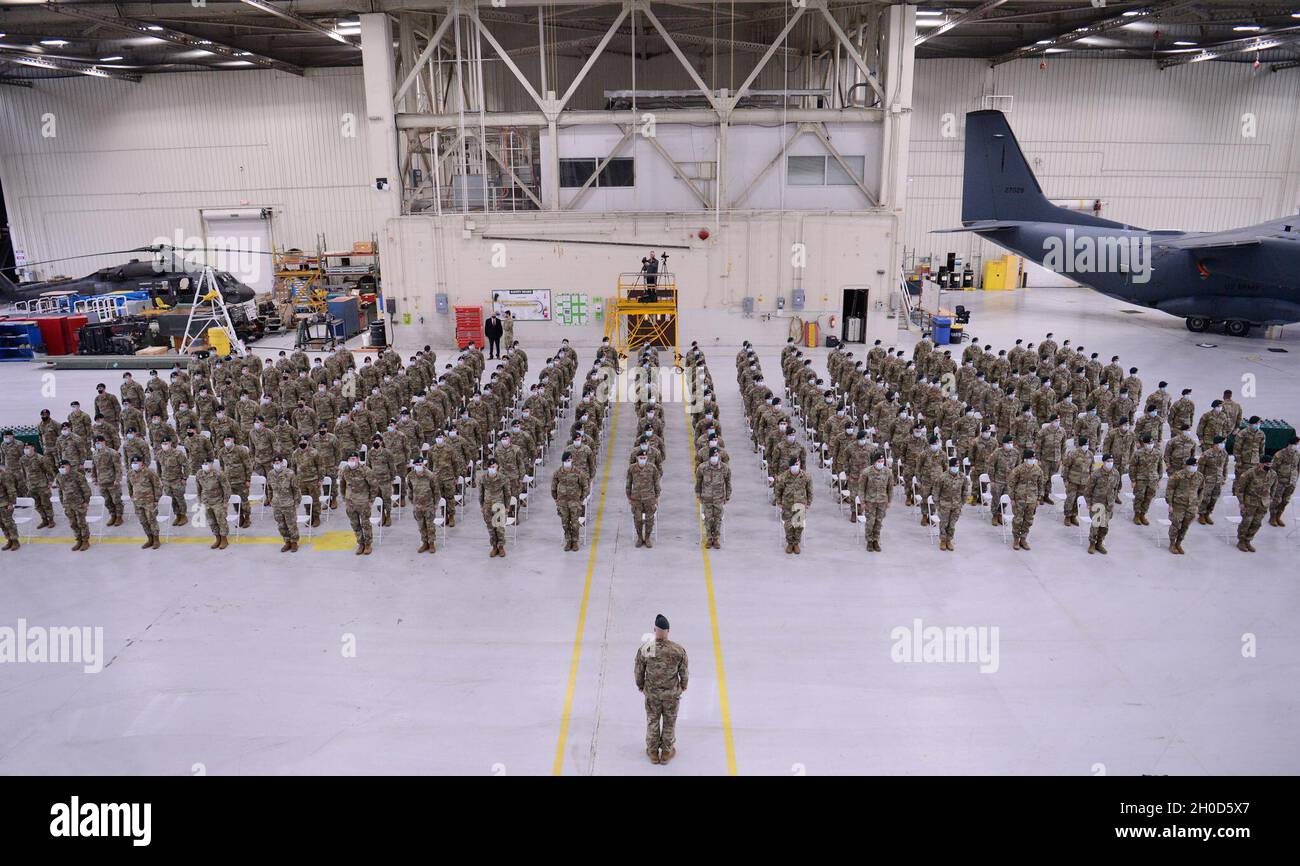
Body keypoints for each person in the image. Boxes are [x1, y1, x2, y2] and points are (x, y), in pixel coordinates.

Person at [634, 613, 688, 765]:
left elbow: (639, 670)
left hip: (652, 694)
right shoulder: (678, 650)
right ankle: (666, 753)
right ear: (668, 631)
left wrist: (640, 685)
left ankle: (652, 752)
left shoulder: (646, 648)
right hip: (671, 695)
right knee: (670, 722)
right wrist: (683, 685)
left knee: (653, 721)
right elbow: (683, 672)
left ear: (654, 630)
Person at [551, 451, 589, 552]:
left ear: (572, 460)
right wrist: (556, 499)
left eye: (569, 460)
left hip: (575, 502)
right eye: (566, 461)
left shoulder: (578, 473)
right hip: (562, 502)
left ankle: (575, 541)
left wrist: (581, 499)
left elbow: (585, 486)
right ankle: (568, 541)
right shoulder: (558, 472)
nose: (568, 462)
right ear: (563, 461)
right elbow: (553, 486)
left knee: (575, 523)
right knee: (565, 523)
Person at [1007, 449, 1044, 550]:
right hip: (1020, 498)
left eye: (1034, 458)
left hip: (1032, 499)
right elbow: (1011, 484)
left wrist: (1038, 499)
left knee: (1028, 520)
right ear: (1025, 459)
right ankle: (1016, 539)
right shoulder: (1018, 470)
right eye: (1031, 458)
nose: (1033, 460)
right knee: (1018, 520)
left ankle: (1023, 538)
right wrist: (1012, 498)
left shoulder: (1038, 470)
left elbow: (1040, 484)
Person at [695, 447, 731, 549]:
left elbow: (728, 482)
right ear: (710, 456)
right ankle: (709, 538)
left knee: (718, 519)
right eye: (714, 456)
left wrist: (728, 495)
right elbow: (698, 482)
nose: (716, 457)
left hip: (719, 498)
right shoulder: (703, 467)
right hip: (706, 498)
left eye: (717, 455)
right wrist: (698, 493)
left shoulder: (724, 468)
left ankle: (716, 538)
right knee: (708, 518)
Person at [774, 458, 812, 554]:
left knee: (799, 525)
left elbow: (809, 490)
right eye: (795, 464)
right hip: (787, 504)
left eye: (798, 464)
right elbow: (778, 489)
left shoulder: (806, 476)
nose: (796, 466)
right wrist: (778, 501)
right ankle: (790, 543)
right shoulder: (783, 477)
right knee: (788, 525)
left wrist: (809, 502)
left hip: (800, 503)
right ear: (790, 466)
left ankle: (796, 543)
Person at [1165, 457, 1202, 555]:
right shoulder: (1178, 476)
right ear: (1187, 466)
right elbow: (1170, 489)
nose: (1195, 467)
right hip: (1178, 505)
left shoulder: (1199, 476)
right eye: (1193, 465)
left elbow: (1201, 490)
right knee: (1176, 525)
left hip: (1191, 506)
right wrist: (1170, 504)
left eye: (1196, 465)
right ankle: (1172, 543)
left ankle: (1179, 543)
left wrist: (1198, 503)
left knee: (1185, 526)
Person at [1236, 456, 1273, 553]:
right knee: (1246, 522)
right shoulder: (1250, 473)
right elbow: (1240, 489)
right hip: (1250, 502)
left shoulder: (1272, 474)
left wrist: (1270, 500)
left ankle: (1248, 540)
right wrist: (1241, 503)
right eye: (1267, 464)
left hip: (1263, 503)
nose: (1269, 466)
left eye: (1270, 464)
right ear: (1261, 463)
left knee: (1257, 523)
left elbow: (1273, 488)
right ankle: (1241, 541)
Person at [55, 459, 92, 552]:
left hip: (79, 503)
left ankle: (85, 541)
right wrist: (62, 502)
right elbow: (60, 491)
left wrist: (86, 502)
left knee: (81, 523)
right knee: (73, 523)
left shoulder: (78, 476)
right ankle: (78, 540)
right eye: (60, 467)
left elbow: (86, 490)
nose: (61, 469)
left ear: (69, 466)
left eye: (63, 467)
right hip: (67, 504)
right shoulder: (59, 476)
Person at [859, 451, 892, 552]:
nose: (881, 463)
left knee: (878, 522)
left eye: (882, 461)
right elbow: (861, 488)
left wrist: (889, 501)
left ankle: (875, 540)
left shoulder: (887, 472)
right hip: (870, 501)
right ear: (874, 462)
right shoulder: (866, 472)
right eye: (879, 461)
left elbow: (890, 488)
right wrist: (862, 502)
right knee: (870, 522)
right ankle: (869, 540)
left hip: (882, 501)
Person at [127, 457, 163, 549]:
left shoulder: (149, 472)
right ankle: (149, 538)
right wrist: (132, 497)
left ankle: (156, 540)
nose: (135, 464)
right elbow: (130, 487)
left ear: (142, 463)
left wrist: (156, 499)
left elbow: (157, 486)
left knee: (151, 520)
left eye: (137, 462)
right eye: (133, 462)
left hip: (149, 501)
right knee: (143, 521)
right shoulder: (130, 473)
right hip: (137, 502)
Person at [627, 451, 661, 548]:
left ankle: (647, 538)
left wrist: (657, 496)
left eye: (644, 457)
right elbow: (628, 484)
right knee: (637, 519)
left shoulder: (652, 468)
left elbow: (656, 483)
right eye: (641, 457)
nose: (642, 459)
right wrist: (629, 497)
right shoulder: (632, 468)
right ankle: (639, 537)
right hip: (636, 499)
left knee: (649, 519)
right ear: (637, 458)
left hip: (649, 498)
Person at [406, 456, 440, 554]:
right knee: (421, 526)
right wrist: (413, 502)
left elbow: (436, 491)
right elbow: (410, 490)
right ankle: (425, 543)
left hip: (429, 505)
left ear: (423, 464)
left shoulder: (430, 475)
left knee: (430, 525)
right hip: (417, 505)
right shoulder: (410, 476)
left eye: (420, 465)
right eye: (416, 465)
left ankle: (432, 543)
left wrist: (436, 504)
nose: (418, 466)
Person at [196, 458, 231, 549]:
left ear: (212, 464)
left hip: (218, 501)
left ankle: (224, 539)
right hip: (206, 501)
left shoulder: (218, 474)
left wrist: (225, 502)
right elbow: (199, 489)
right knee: (211, 521)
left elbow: (226, 488)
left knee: (221, 521)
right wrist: (200, 501)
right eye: (203, 463)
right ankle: (217, 538)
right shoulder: (199, 474)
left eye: (207, 463)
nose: (205, 465)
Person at [269, 456, 301, 553]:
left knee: (291, 524)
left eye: (278, 462)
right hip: (277, 504)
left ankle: (294, 542)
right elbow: (269, 488)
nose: (277, 464)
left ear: (282, 463)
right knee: (281, 525)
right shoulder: (270, 474)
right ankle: (287, 541)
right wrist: (270, 499)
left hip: (288, 504)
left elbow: (296, 489)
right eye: (275, 463)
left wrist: (296, 502)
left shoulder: (290, 473)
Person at [480, 457, 510, 557]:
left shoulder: (503, 478)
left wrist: (507, 506)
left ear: (497, 467)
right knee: (491, 528)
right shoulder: (483, 478)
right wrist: (481, 505)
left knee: (500, 528)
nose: (491, 468)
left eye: (493, 466)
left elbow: (507, 493)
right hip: (487, 506)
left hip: (499, 505)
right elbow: (481, 493)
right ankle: (494, 547)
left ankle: (501, 546)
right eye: (490, 467)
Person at [934, 457, 966, 551]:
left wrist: (962, 503)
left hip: (956, 505)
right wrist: (937, 504)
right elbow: (936, 491)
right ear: (951, 466)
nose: (957, 467)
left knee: (952, 524)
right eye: (955, 465)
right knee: (944, 523)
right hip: (944, 504)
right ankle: (943, 540)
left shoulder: (962, 477)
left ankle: (949, 540)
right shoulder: (942, 477)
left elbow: (964, 491)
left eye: (958, 465)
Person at [1270, 434, 1298, 526]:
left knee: (1285, 500)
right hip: (1280, 481)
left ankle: (1278, 516)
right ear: (1292, 444)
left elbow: (1297, 467)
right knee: (1276, 500)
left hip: (1291, 482)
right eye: (1297, 444)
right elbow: (1273, 468)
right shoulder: (1280, 454)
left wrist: (1295, 479)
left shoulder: (1297, 454)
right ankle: (1272, 517)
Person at [0, 462, 18, 551]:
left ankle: (15, 541)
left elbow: (11, 490)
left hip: (5, 504)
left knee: (9, 523)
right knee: (2, 524)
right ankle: (9, 540)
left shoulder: (4, 475)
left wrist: (11, 503)